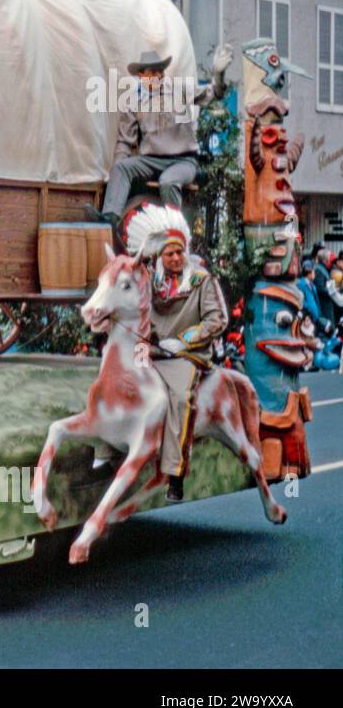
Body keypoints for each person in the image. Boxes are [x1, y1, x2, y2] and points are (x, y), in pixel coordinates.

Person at [133, 206, 229, 503]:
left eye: (179, 252)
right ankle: (108, 452)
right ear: (159, 257)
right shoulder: (149, 280)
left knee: (178, 398)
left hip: (187, 355)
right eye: (169, 254)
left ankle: (174, 473)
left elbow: (217, 319)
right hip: (152, 350)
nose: (176, 258)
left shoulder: (201, 279)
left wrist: (183, 341)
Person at [87, 45, 232, 226]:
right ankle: (110, 219)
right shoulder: (133, 100)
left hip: (183, 161)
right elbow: (125, 141)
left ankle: (175, 230)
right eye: (153, 72)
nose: (158, 76)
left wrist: (219, 75)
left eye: (160, 71)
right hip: (151, 161)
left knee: (168, 182)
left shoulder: (179, 89)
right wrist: (114, 177)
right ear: (141, 76)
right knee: (121, 168)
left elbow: (214, 93)